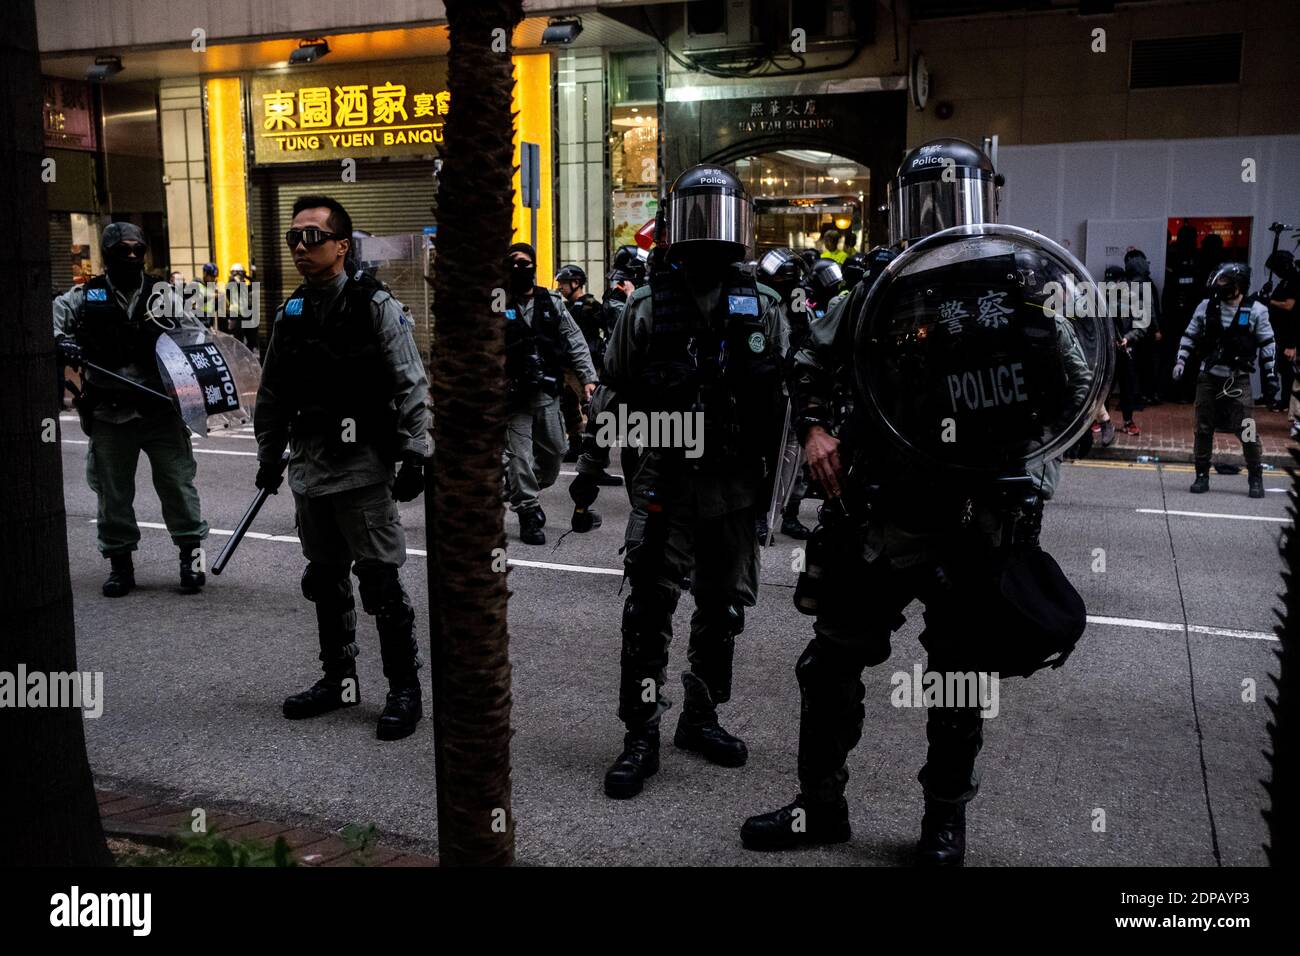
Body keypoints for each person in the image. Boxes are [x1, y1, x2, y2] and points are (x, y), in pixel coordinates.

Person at [741, 138, 1100, 865]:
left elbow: (1076, 402)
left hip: (976, 520)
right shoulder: (877, 289)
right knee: (832, 663)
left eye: (950, 198)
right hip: (884, 511)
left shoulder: (1021, 292)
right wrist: (813, 430)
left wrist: (1034, 451)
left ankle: (944, 822)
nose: (937, 217)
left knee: (959, 678)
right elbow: (807, 361)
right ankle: (821, 809)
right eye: (925, 201)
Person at [600, 164, 788, 799]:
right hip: (669, 482)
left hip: (735, 484)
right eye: (698, 218)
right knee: (649, 608)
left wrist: (770, 494)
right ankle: (641, 733)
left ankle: (700, 717)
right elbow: (616, 395)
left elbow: (781, 408)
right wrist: (644, 471)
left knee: (723, 607)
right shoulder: (647, 307)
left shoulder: (763, 306)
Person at [253, 194, 432, 741]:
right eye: (293, 238)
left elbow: (410, 381)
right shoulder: (292, 312)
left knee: (379, 582)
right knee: (324, 580)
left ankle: (405, 690)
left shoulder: (375, 305)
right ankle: (338, 681)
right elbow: (273, 392)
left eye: (313, 237)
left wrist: (415, 452)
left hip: (360, 468)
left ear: (341, 245)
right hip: (310, 468)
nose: (301, 248)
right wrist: (267, 453)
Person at [52, 222, 209, 597]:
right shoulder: (82, 297)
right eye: (124, 250)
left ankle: (192, 561)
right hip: (110, 412)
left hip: (160, 411)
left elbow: (197, 339)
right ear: (107, 256)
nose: (133, 257)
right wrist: (64, 343)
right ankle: (120, 566)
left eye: (139, 249)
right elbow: (51, 325)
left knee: (178, 486)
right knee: (112, 494)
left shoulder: (165, 295)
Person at [502, 242, 597, 545]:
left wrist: (588, 379)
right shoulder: (496, 300)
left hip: (546, 392)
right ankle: (528, 511)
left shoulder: (551, 301)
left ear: (534, 265)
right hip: (512, 397)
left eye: (525, 262)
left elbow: (575, 340)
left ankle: (522, 487)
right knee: (519, 458)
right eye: (514, 262)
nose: (520, 267)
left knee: (555, 453)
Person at [1174, 261, 1279, 498]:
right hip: (1208, 377)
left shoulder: (1256, 311)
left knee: (1247, 429)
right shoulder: (1206, 306)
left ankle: (1255, 476)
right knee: (1203, 428)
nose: (1220, 287)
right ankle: (1201, 475)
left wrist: (1271, 375)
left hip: (1237, 379)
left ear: (1238, 286)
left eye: (1225, 283)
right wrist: (1181, 361)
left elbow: (1268, 344)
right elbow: (1190, 335)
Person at [555, 264, 604, 463]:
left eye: (563, 284)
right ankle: (575, 444)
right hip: (566, 366)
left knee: (590, 406)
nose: (560, 288)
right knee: (567, 406)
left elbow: (608, 328)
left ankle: (596, 453)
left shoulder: (592, 305)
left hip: (586, 366)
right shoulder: (564, 307)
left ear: (576, 283)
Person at [1261, 250, 1297, 433]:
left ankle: (1284, 401)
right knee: (1276, 365)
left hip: (1289, 333)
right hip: (1278, 331)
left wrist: (1271, 302)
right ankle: (1271, 397)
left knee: (1287, 370)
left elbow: (1290, 305)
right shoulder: (1284, 281)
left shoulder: (1294, 280)